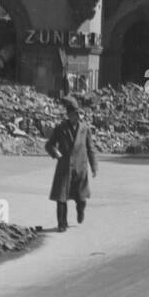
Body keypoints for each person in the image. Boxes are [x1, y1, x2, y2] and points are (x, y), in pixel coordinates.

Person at [45, 95, 97, 233]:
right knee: (61, 198)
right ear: (69, 115)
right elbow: (49, 145)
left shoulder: (85, 129)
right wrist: (55, 153)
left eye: (79, 114)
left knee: (81, 198)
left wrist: (94, 167)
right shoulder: (60, 128)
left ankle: (80, 211)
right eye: (75, 114)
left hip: (80, 168)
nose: (78, 117)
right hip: (64, 167)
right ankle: (62, 223)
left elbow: (90, 148)